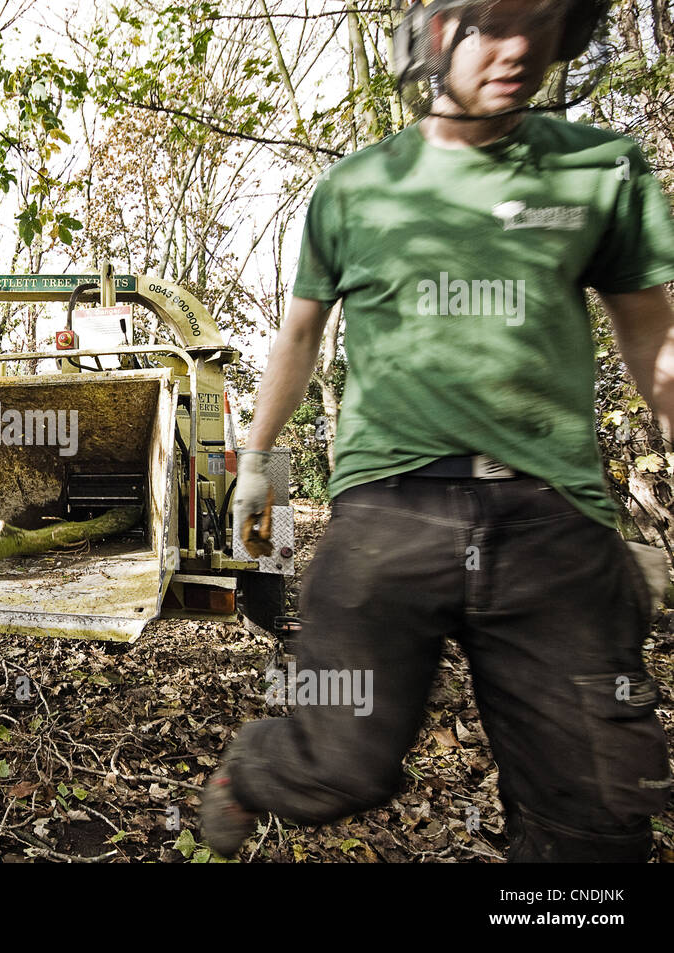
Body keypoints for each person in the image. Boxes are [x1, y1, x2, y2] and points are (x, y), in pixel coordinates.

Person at [202, 0, 674, 862]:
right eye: (498, 21)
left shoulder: (602, 169)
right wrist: (258, 462)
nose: (523, 49)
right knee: (340, 765)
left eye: (550, 25)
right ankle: (252, 771)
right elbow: (300, 335)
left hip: (554, 520)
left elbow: (653, 337)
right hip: (389, 515)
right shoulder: (355, 187)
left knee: (596, 823)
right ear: (432, 32)